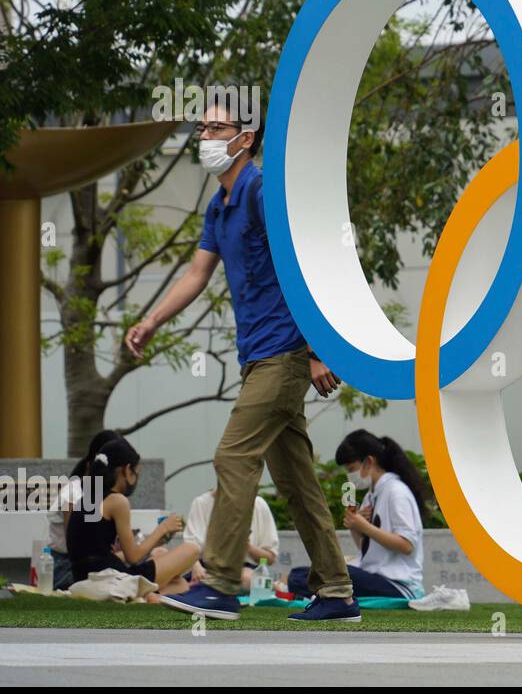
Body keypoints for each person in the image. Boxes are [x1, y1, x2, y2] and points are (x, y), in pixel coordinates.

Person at [124, 103, 359, 623]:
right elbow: (195, 274)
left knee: (232, 457)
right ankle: (338, 592)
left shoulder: (260, 191)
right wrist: (151, 320)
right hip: (257, 355)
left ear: (245, 138)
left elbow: (303, 265)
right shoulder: (219, 204)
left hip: (285, 353)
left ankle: (223, 583)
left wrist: (318, 350)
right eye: (202, 127)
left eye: (216, 128)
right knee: (298, 484)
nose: (204, 136)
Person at [287, 431, 426, 600]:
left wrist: (364, 527)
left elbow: (406, 545)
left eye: (351, 469)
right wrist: (355, 527)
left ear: (369, 462)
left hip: (398, 583)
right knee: (303, 574)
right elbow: (366, 549)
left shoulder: (396, 492)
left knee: (312, 576)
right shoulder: (372, 494)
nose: (349, 475)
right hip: (374, 575)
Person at [66, 435, 199, 593]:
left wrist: (153, 544)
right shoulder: (117, 501)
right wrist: (162, 529)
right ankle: (143, 595)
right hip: (109, 580)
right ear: (127, 470)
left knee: (179, 583)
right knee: (192, 550)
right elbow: (133, 557)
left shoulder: (86, 497)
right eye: (136, 474)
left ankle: (149, 596)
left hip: (84, 578)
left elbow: (97, 556)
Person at [47, 429, 119, 590]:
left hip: (85, 564)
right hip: (66, 568)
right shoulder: (74, 493)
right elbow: (75, 548)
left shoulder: (100, 493)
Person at [184, 487, 279, 592]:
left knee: (246, 579)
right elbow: (190, 547)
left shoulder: (259, 505)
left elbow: (270, 557)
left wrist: (246, 546)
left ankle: (274, 587)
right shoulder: (201, 503)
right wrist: (196, 567)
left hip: (244, 569)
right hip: (206, 569)